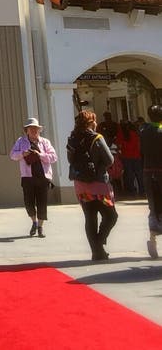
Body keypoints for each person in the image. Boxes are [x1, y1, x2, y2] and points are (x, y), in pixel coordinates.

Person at [67, 109, 118, 261]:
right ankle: (99, 242)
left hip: (81, 185)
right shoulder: (97, 137)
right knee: (111, 216)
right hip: (99, 184)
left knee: (90, 217)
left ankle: (97, 252)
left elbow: (70, 160)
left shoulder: (72, 138)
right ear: (91, 122)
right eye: (94, 120)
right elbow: (109, 160)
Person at [10, 117, 58, 237]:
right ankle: (34, 222)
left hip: (43, 177)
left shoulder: (45, 142)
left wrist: (40, 155)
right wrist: (23, 153)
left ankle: (40, 227)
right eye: (31, 129)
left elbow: (53, 157)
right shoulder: (21, 141)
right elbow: (12, 155)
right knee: (29, 203)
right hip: (27, 177)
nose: (34, 131)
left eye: (36, 129)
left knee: (42, 203)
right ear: (26, 130)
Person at [140, 104, 162, 260]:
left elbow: (141, 151)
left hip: (148, 171)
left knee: (153, 205)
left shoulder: (143, 131)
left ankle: (153, 238)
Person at [116, 121, 144, 196]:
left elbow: (119, 146)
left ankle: (132, 190)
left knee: (129, 174)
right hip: (137, 156)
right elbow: (139, 144)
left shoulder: (120, 134)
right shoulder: (135, 133)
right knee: (139, 173)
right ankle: (142, 189)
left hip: (126, 157)